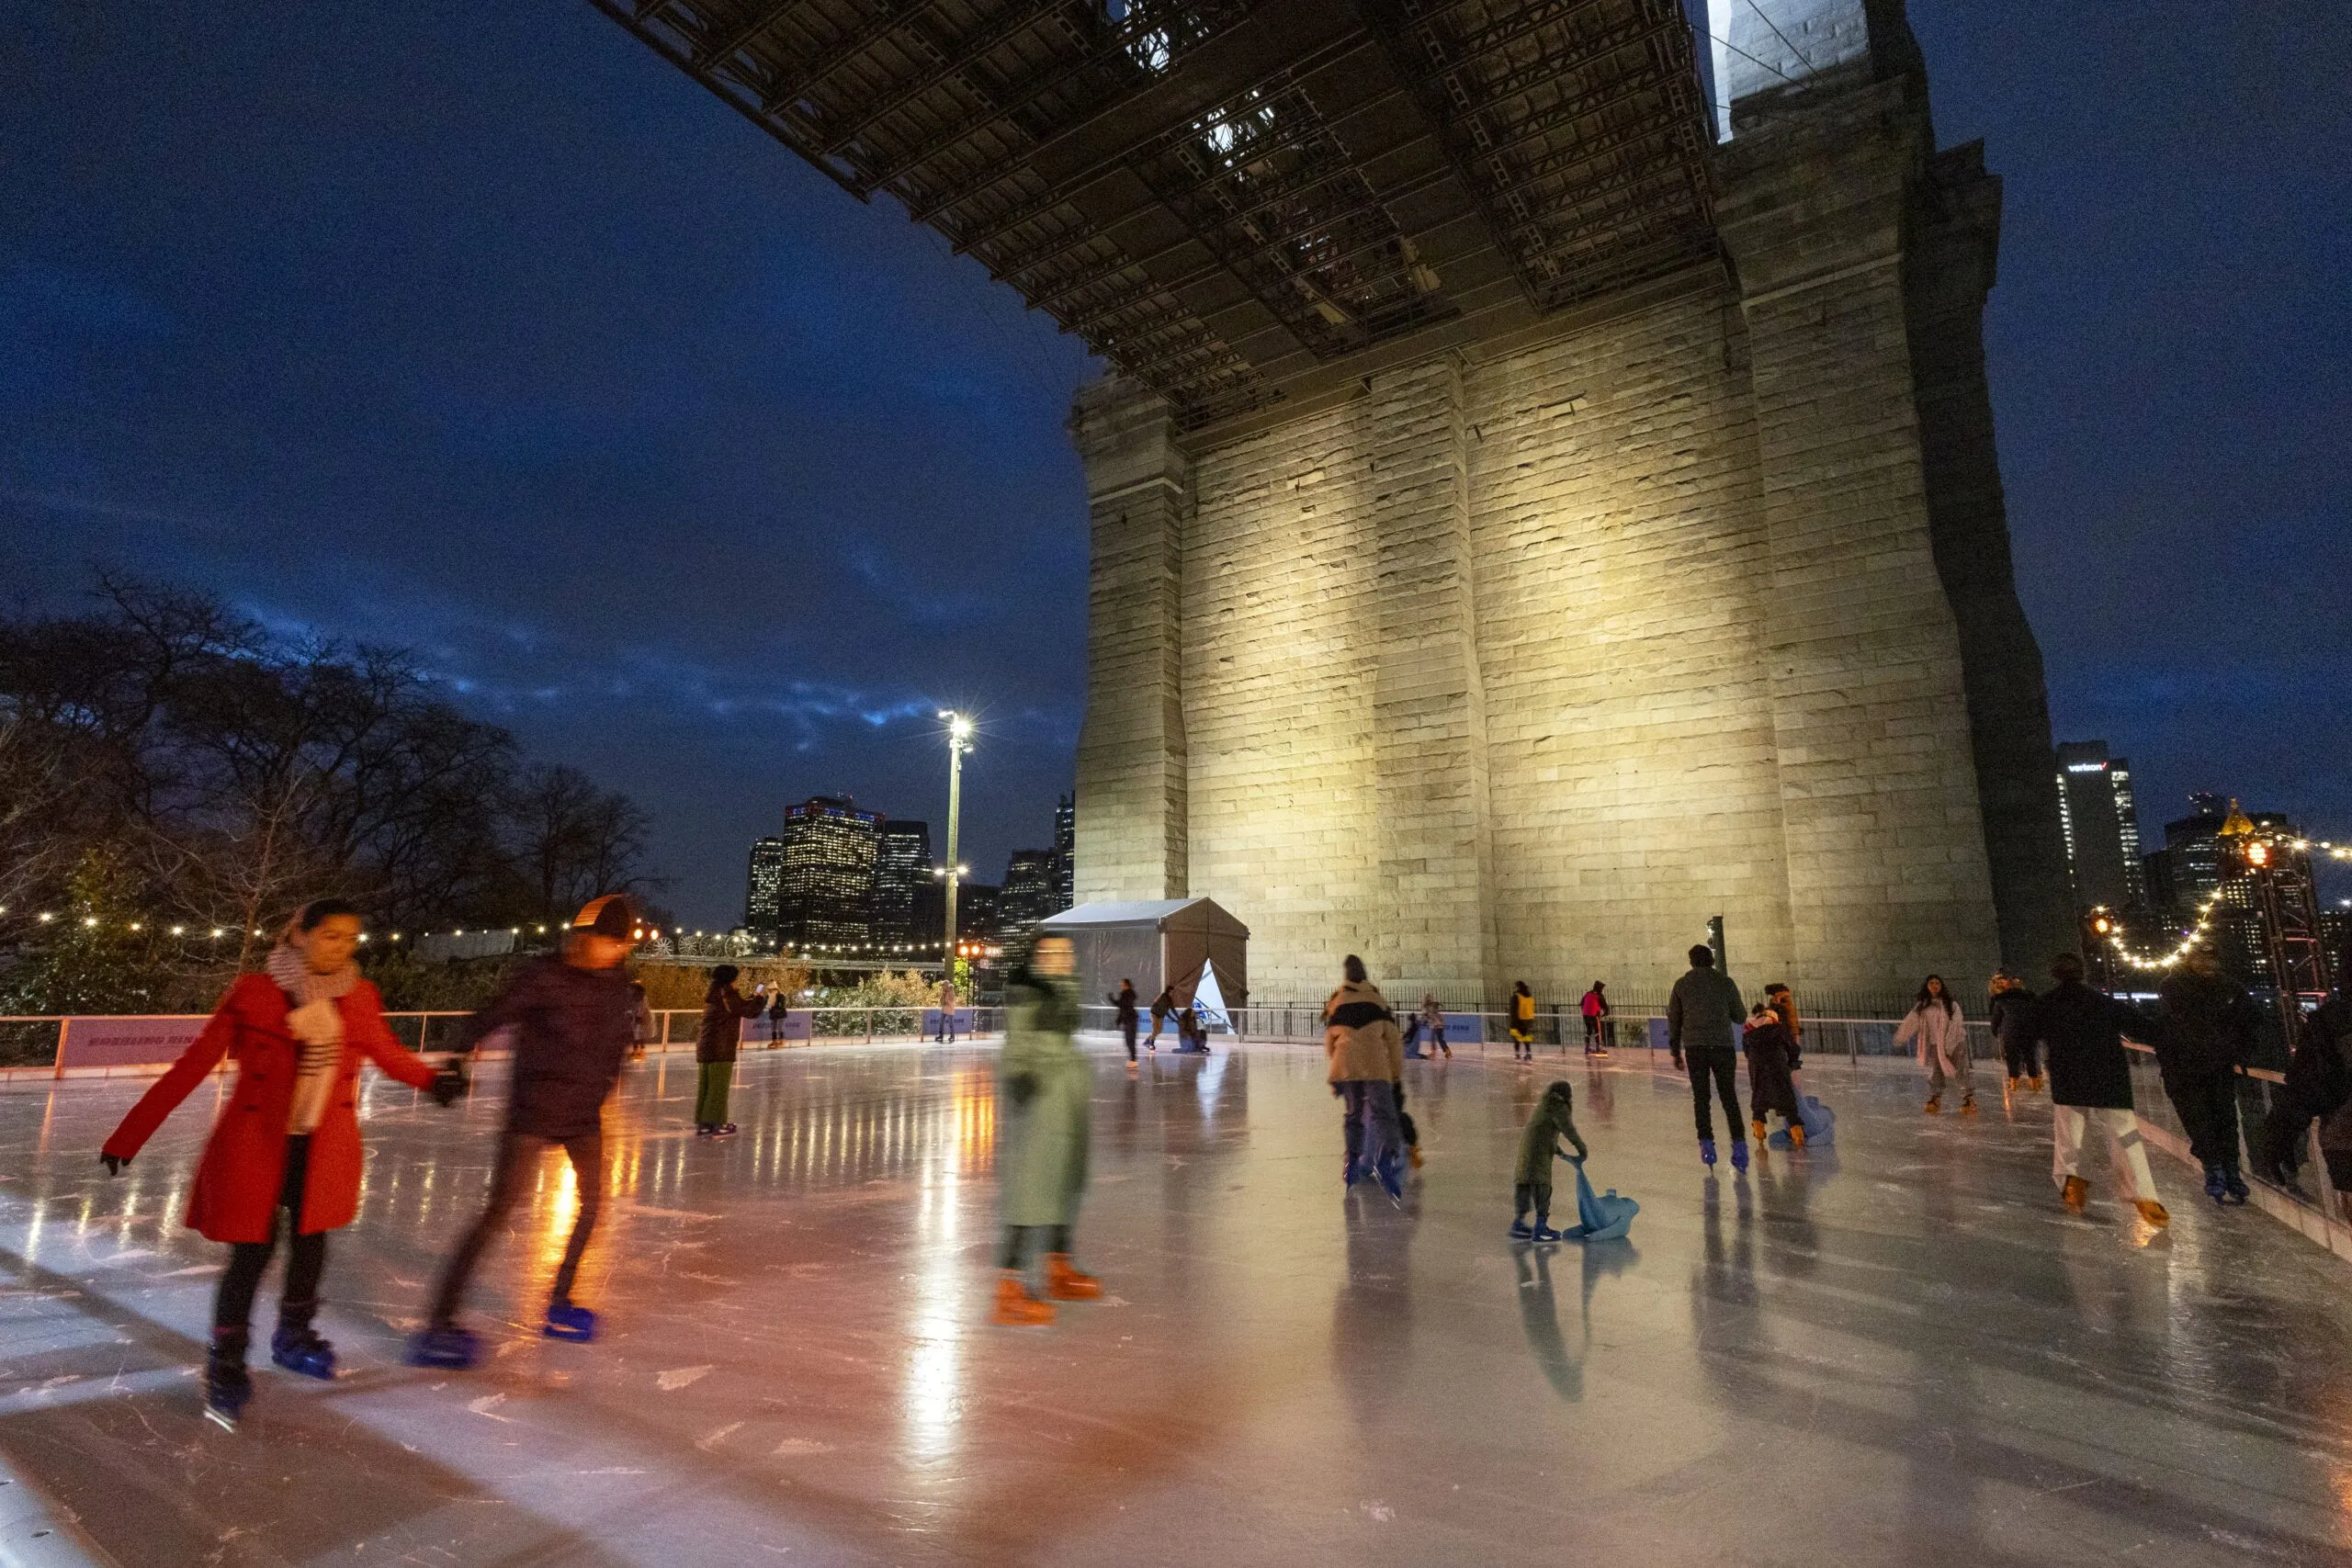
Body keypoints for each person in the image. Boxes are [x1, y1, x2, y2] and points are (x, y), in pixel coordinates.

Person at [99, 900, 460, 1428]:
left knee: (311, 1248)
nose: (343, 946)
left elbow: (387, 1051)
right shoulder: (254, 992)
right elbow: (194, 1064)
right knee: (250, 1257)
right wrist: (131, 1134)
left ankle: (294, 1334)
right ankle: (225, 1361)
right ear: (299, 933)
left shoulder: (359, 996)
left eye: (351, 938)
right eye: (331, 935)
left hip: (322, 1146)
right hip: (256, 1146)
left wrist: (433, 1080)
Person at [408, 894, 641, 1368]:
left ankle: (560, 1301)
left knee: (595, 1203)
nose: (615, 952)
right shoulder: (544, 976)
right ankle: (438, 1324)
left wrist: (609, 1081)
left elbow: (615, 1041)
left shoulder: (619, 985)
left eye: (621, 945)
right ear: (584, 938)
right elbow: (489, 1015)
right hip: (533, 1112)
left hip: (583, 1115)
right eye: (607, 942)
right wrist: (455, 1057)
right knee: (499, 1212)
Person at [992, 934, 1100, 1325]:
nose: (1061, 959)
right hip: (1040, 1097)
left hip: (1067, 1097)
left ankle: (1059, 1268)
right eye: (1051, 953)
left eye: (1066, 953)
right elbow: (1018, 1044)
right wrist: (1023, 1081)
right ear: (1038, 958)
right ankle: (1009, 1288)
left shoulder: (1063, 989)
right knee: (1030, 1191)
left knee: (1065, 1185)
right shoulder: (1027, 992)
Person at [2030, 952, 2167, 1226]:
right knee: (2126, 1135)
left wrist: (2032, 1068)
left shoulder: (2046, 1004)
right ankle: (2144, 1196)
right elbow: (2144, 1028)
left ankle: (2070, 1182)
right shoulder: (2102, 1002)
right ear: (2081, 973)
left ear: (2055, 974)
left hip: (2068, 1077)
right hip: (2108, 1076)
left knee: (2068, 1136)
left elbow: (2026, 1035)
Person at [2154, 949, 2260, 1203]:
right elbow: (2168, 1028)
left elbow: (2250, 1020)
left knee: (2224, 1120)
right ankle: (2215, 1169)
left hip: (2216, 1067)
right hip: (2185, 1070)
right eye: (2202, 960)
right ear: (2190, 962)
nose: (2209, 964)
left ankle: (2230, 1171)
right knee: (2200, 1121)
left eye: (2213, 960)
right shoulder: (2176, 989)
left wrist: (2239, 1050)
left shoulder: (2228, 988)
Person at [2256, 943, 2352, 1192]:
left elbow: (2310, 1082)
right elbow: (2310, 1081)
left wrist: (2280, 1133)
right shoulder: (2334, 1021)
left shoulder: (2334, 1020)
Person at [1326, 955, 1407, 1201]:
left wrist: (1336, 1071)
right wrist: (1394, 1073)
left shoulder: (1337, 1001)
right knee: (1385, 1115)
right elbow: (1393, 1041)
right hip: (1375, 1067)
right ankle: (1384, 1159)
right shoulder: (1376, 999)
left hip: (1347, 1067)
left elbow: (1330, 1040)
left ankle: (1351, 1162)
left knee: (1353, 1116)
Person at [1668, 943, 1747, 1170]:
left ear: (1691, 962)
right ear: (1711, 961)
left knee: (1701, 1098)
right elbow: (1740, 1016)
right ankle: (1740, 1147)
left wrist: (1675, 1051)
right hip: (1722, 1046)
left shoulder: (1682, 985)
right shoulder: (1725, 983)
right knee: (1729, 1097)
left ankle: (1706, 1144)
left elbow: (1674, 1019)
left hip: (1696, 1048)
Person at [1510, 1080, 1589, 1241]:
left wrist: (1559, 1152)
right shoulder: (1558, 1106)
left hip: (1527, 1148)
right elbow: (1568, 1130)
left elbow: (1544, 1131)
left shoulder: (1544, 1104)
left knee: (1525, 1182)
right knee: (1542, 1184)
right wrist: (1582, 1149)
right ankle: (1540, 1227)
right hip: (1539, 1152)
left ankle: (1518, 1222)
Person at [695, 964, 767, 1137]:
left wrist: (751, 999)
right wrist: (759, 1000)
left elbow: (739, 1005)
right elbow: (748, 1011)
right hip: (721, 1047)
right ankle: (718, 1124)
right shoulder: (727, 994)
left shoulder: (714, 993)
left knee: (706, 1087)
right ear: (731, 979)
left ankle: (703, 1123)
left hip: (705, 1046)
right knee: (718, 1087)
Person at [1897, 975, 1973, 1115]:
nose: (1935, 986)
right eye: (1931, 983)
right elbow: (1911, 1020)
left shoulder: (1951, 1004)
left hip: (1954, 1042)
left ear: (1942, 985)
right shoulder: (1923, 1005)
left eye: (1937, 983)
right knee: (1935, 1071)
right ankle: (1935, 1097)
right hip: (1934, 1044)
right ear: (1927, 986)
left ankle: (1968, 1098)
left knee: (1960, 1069)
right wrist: (1902, 1036)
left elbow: (1956, 1023)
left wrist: (1948, 1044)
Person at [1742, 1002, 1804, 1149]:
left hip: (1757, 1067)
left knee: (1759, 1096)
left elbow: (1747, 1052)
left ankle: (1758, 1129)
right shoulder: (1778, 1028)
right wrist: (1793, 1062)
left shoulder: (1748, 1030)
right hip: (1777, 1065)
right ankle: (1797, 1133)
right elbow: (1793, 1047)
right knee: (1786, 1097)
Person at [1988, 971, 2040, 1098]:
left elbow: (1996, 1018)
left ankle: (2014, 1082)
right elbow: (2037, 1013)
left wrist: (1994, 1030)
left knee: (2012, 1057)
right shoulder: (2029, 998)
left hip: (2011, 1032)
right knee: (2030, 1056)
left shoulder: (2001, 1000)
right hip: (2028, 1031)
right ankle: (2034, 1081)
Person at [1109, 977, 1140, 1068]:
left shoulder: (1127, 994)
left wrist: (1119, 1020)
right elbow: (1122, 1006)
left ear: (1126, 984)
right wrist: (1119, 1020)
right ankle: (1133, 1059)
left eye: (1122, 984)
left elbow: (1123, 1006)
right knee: (1128, 1040)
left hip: (1131, 1019)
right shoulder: (1126, 994)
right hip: (1129, 1019)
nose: (1121, 985)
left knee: (1130, 1040)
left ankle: (1133, 1060)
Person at [1580, 981, 1611, 1059]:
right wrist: (1603, 1014)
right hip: (1594, 1015)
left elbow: (1581, 1003)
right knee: (1597, 1032)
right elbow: (1605, 1007)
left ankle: (1587, 1048)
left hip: (1585, 1015)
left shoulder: (1587, 994)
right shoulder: (1599, 996)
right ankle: (1598, 1048)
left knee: (1588, 1030)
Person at [627, 978, 654, 1064]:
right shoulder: (639, 996)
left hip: (642, 1019)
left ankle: (640, 1053)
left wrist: (636, 1016)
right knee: (637, 1035)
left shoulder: (639, 997)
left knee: (638, 1035)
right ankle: (638, 1052)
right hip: (641, 1018)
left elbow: (640, 1008)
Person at [1510, 981, 1537, 1063]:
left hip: (1519, 1019)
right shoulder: (1530, 997)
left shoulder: (1516, 996)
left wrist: (1513, 1021)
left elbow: (1513, 1010)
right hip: (1529, 1020)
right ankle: (1528, 1054)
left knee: (1516, 1037)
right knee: (1526, 1038)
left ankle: (1517, 1054)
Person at [1145, 985, 1176, 1051]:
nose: (1173, 994)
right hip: (1154, 1014)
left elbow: (1172, 1009)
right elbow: (1165, 1009)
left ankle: (1148, 1040)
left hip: (1160, 1016)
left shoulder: (1170, 999)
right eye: (1172, 992)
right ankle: (1151, 1043)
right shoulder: (1163, 996)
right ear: (1169, 991)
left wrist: (1177, 1018)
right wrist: (1171, 1017)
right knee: (1155, 1029)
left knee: (1159, 1030)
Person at [1420, 993, 1451, 1059]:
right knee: (1438, 1039)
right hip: (1438, 1024)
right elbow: (1428, 1016)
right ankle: (1446, 1051)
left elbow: (1427, 1015)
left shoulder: (1428, 1007)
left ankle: (1435, 1053)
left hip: (1437, 1024)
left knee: (1434, 1039)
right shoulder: (1431, 1006)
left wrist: (1424, 1019)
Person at [936, 976, 959, 1043]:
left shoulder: (951, 992)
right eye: (942, 985)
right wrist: (942, 996)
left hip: (949, 1010)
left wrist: (945, 996)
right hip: (944, 1010)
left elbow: (949, 1001)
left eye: (943, 985)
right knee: (941, 1023)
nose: (942, 986)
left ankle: (952, 1036)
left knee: (951, 1023)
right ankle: (941, 1035)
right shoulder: (943, 992)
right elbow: (941, 1002)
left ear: (946, 985)